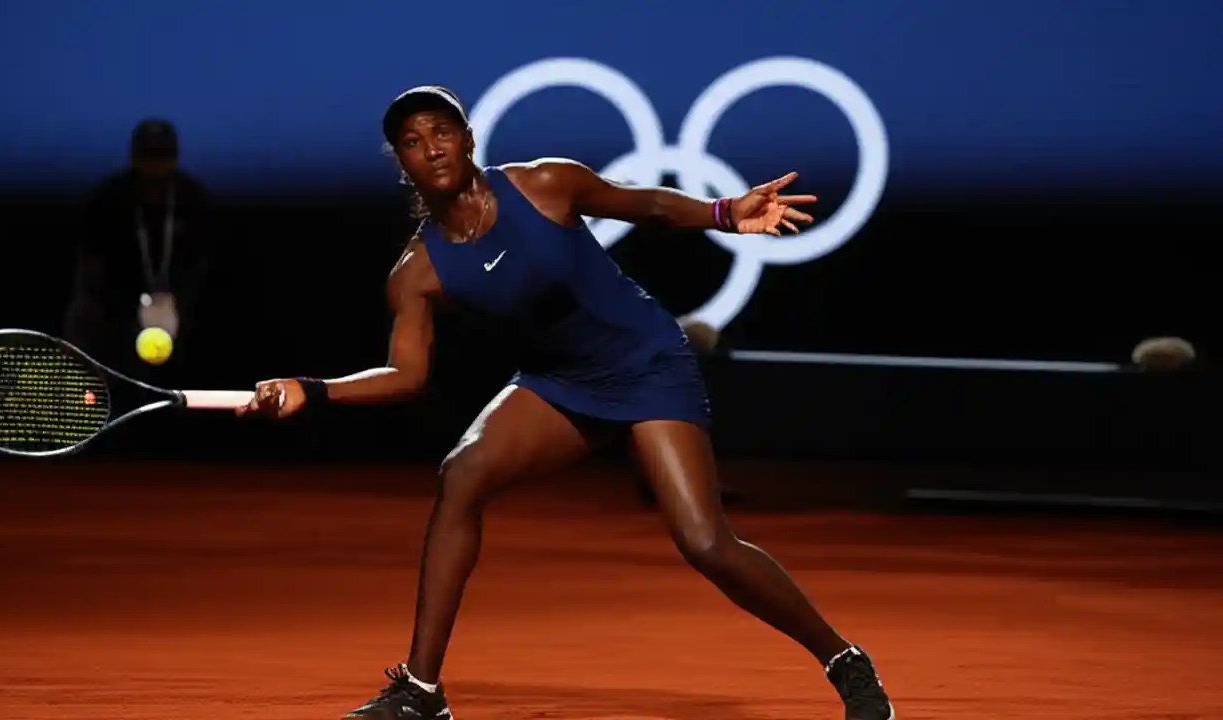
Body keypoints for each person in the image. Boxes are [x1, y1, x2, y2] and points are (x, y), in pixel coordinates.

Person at [238, 86, 894, 720]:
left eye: (442, 132)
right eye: (412, 141)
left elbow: (649, 207)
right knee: (462, 475)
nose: (431, 147)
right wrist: (313, 389)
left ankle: (845, 661)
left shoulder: (545, 184)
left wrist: (725, 212)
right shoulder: (417, 272)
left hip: (645, 365)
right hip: (558, 383)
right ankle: (421, 691)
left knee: (704, 543)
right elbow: (406, 376)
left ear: (468, 141)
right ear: (401, 164)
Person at [63, 118, 213, 387]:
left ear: (174, 158)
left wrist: (179, 303)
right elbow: (90, 272)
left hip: (184, 320)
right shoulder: (107, 201)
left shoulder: (193, 200)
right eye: (148, 156)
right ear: (133, 157)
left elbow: (204, 265)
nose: (155, 166)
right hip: (116, 323)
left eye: (162, 156)